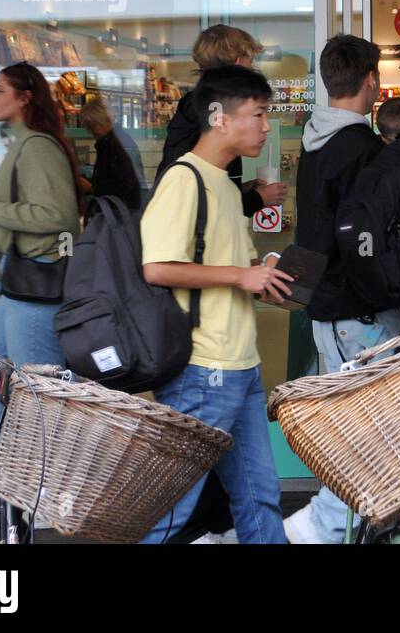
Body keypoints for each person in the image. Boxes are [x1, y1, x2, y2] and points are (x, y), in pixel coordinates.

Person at [140, 64, 293, 545]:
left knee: (259, 496)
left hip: (239, 365)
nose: (266, 125)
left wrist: (261, 270)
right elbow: (157, 267)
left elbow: (226, 261)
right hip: (202, 370)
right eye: (258, 113)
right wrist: (241, 275)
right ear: (220, 118)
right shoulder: (184, 179)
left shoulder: (226, 184)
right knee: (173, 509)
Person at [285, 34, 398, 544]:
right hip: (358, 313)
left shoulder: (314, 139)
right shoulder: (363, 148)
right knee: (365, 429)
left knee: (351, 422)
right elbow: (366, 241)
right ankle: (326, 524)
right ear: (371, 81)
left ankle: (345, 521)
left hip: (326, 308)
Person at [0, 62, 84, 432]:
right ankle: (14, 465)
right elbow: (32, 212)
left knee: (35, 395)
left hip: (34, 287)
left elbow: (56, 215)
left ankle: (37, 476)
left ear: (24, 98)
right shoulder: (26, 144)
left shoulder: (37, 148)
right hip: (23, 286)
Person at [160, 24, 287, 216]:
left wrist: (238, 188)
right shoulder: (206, 110)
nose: (266, 126)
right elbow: (209, 206)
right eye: (257, 114)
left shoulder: (193, 107)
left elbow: (212, 187)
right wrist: (257, 199)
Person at [78, 97, 146, 211]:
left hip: (119, 213)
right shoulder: (115, 141)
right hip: (120, 212)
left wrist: (92, 187)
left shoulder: (116, 145)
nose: (91, 131)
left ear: (104, 120)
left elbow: (125, 185)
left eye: (92, 126)